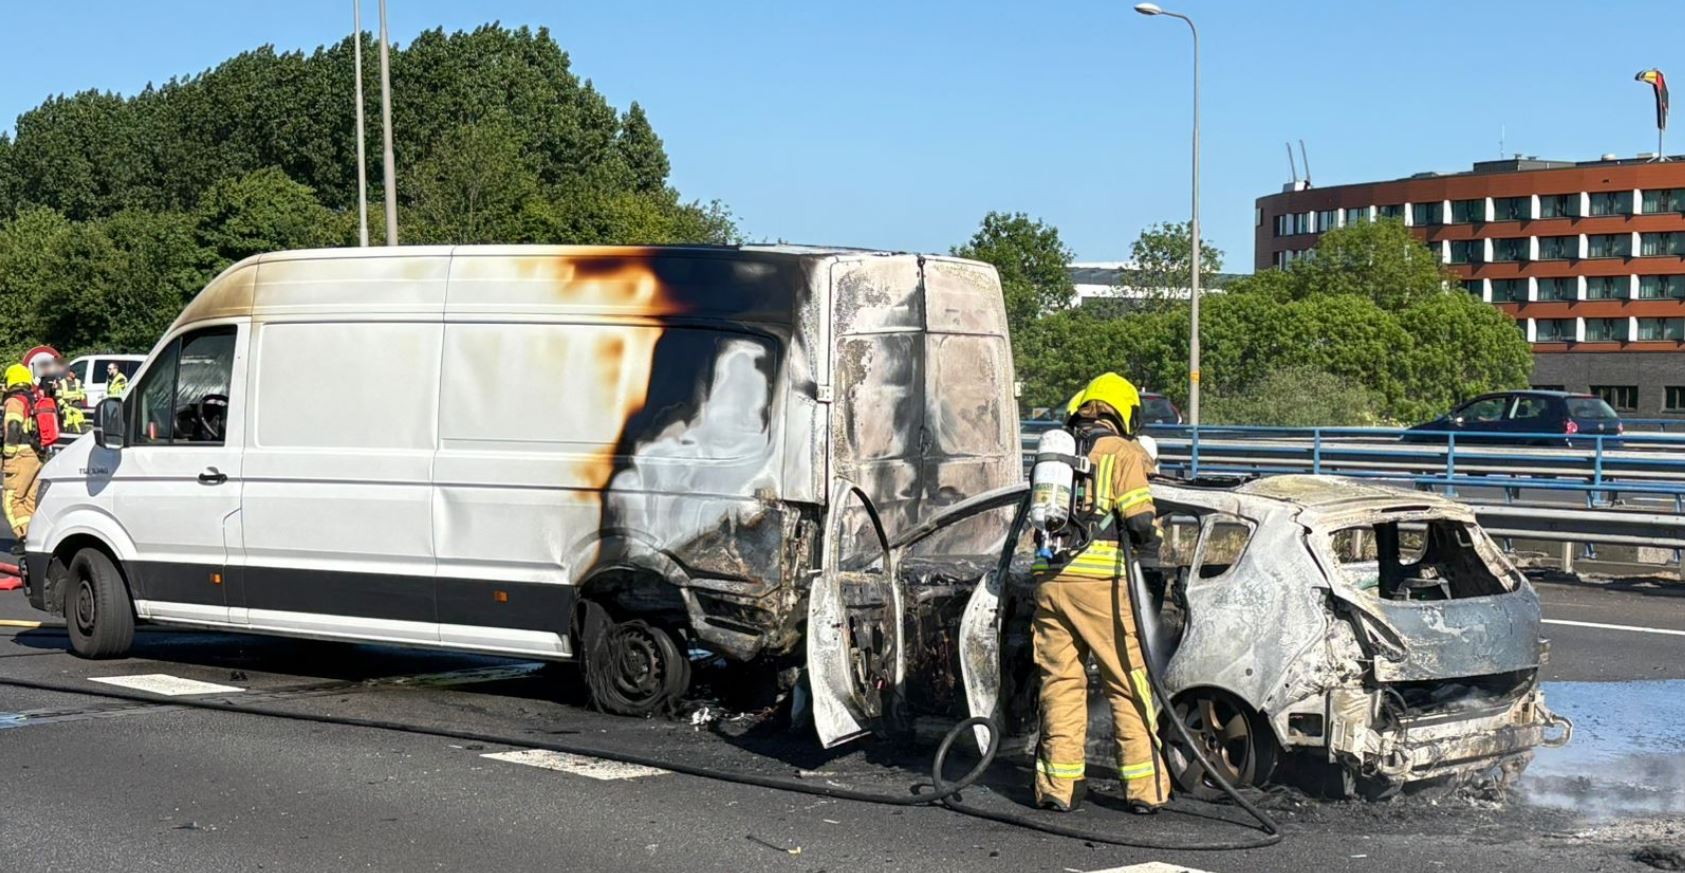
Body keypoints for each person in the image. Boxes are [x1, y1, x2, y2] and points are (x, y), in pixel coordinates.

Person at [1030, 372, 1171, 815]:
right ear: (1125, 413)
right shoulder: (1123, 453)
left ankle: (1058, 787)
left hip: (1051, 584)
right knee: (1128, 683)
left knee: (1061, 683)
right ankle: (1145, 790)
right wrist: (1156, 550)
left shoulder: (1060, 456)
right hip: (1100, 586)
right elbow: (1141, 523)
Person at [3, 364, 45, 542]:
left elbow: (13, 425)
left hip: (20, 455)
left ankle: (22, 537)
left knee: (11, 501)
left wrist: (8, 452)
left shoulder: (14, 401)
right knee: (29, 502)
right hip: (35, 455)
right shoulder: (33, 400)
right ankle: (32, 538)